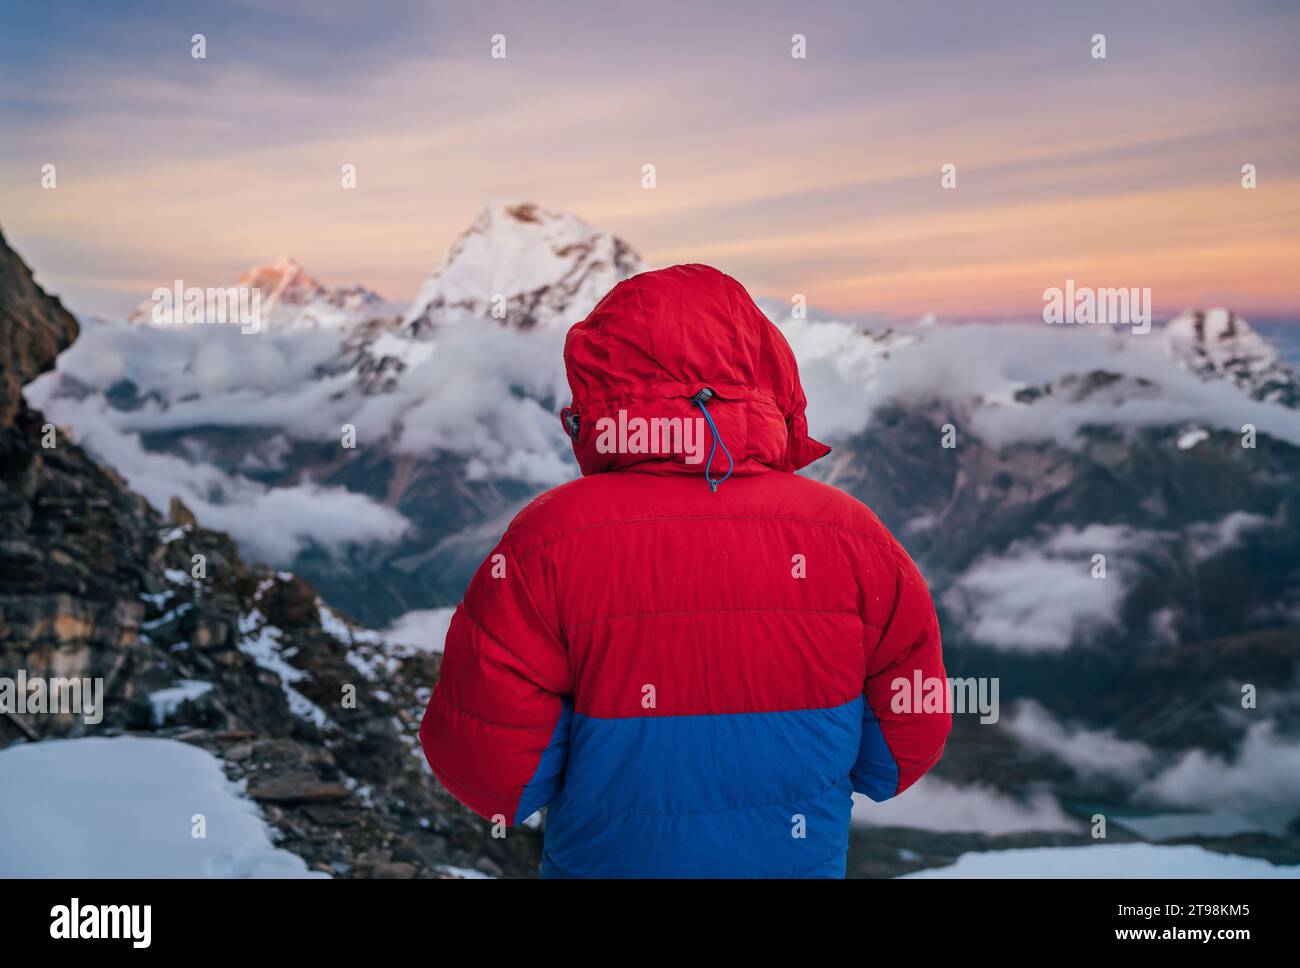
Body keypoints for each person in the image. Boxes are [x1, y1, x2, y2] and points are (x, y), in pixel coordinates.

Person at [419, 263, 950, 878]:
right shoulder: (857, 537)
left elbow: (489, 775)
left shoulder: (545, 540)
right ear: (771, 376)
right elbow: (903, 750)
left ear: (596, 391)